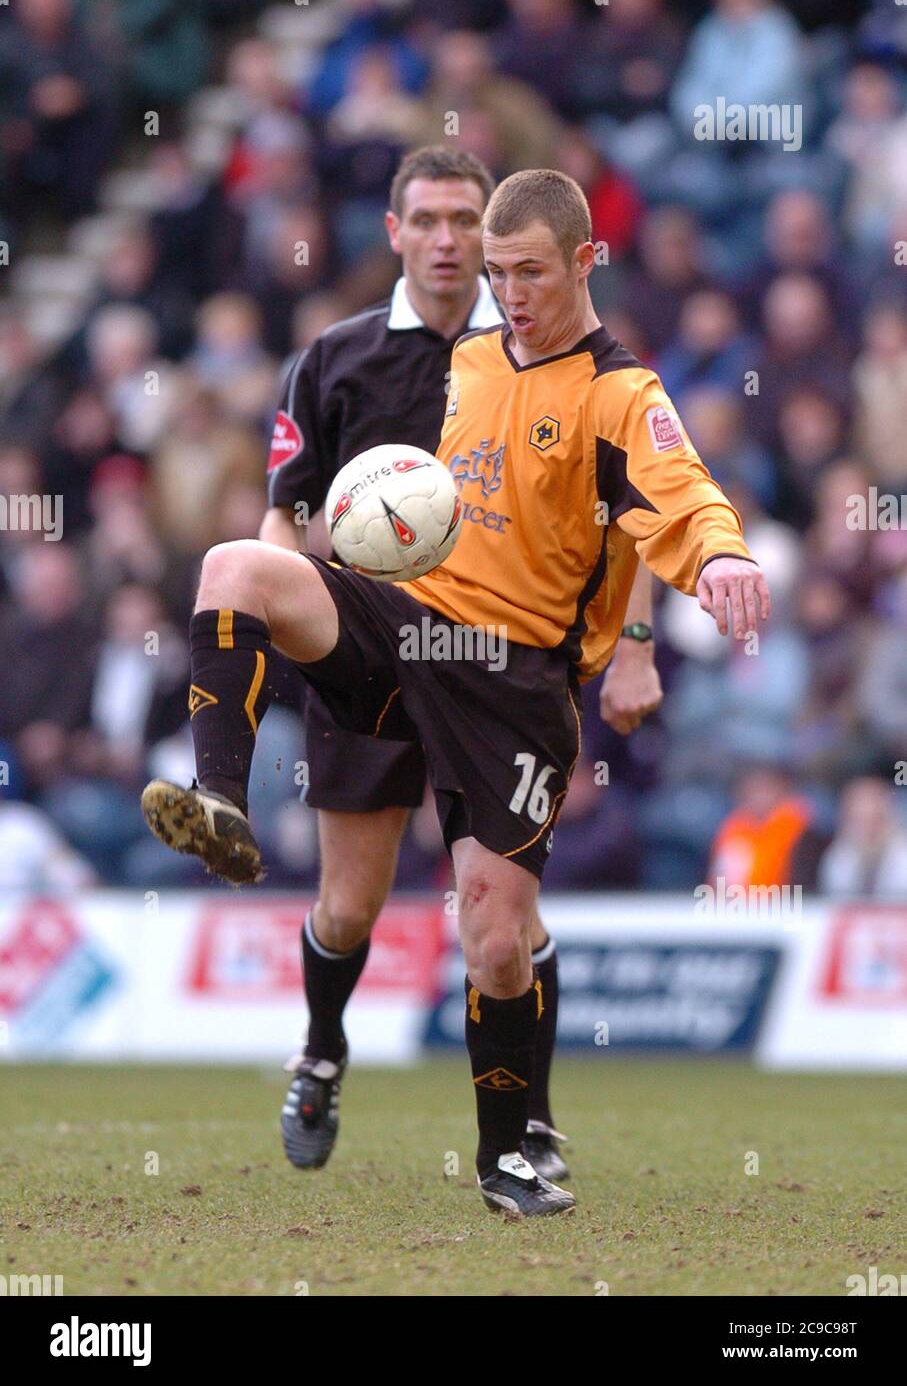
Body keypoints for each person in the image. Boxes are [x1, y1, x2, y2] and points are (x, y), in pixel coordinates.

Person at [142, 167, 770, 1217]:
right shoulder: (471, 359)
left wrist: (717, 560)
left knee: (492, 936)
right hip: (408, 624)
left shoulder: (623, 395)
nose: (510, 292)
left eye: (530, 272)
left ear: (583, 263)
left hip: (514, 679)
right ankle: (221, 802)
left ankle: (507, 1152)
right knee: (232, 569)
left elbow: (677, 497)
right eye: (497, 270)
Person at [262, 146, 662, 1184]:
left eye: (465, 222)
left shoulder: (546, 348)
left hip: (494, 662)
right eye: (427, 220)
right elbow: (286, 510)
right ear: (393, 232)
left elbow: (633, 498)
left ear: (497, 238)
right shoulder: (333, 358)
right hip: (371, 653)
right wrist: (292, 611)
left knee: (503, 914)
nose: (448, 241)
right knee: (349, 905)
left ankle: (525, 1121)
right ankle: (321, 1049)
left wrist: (635, 642)